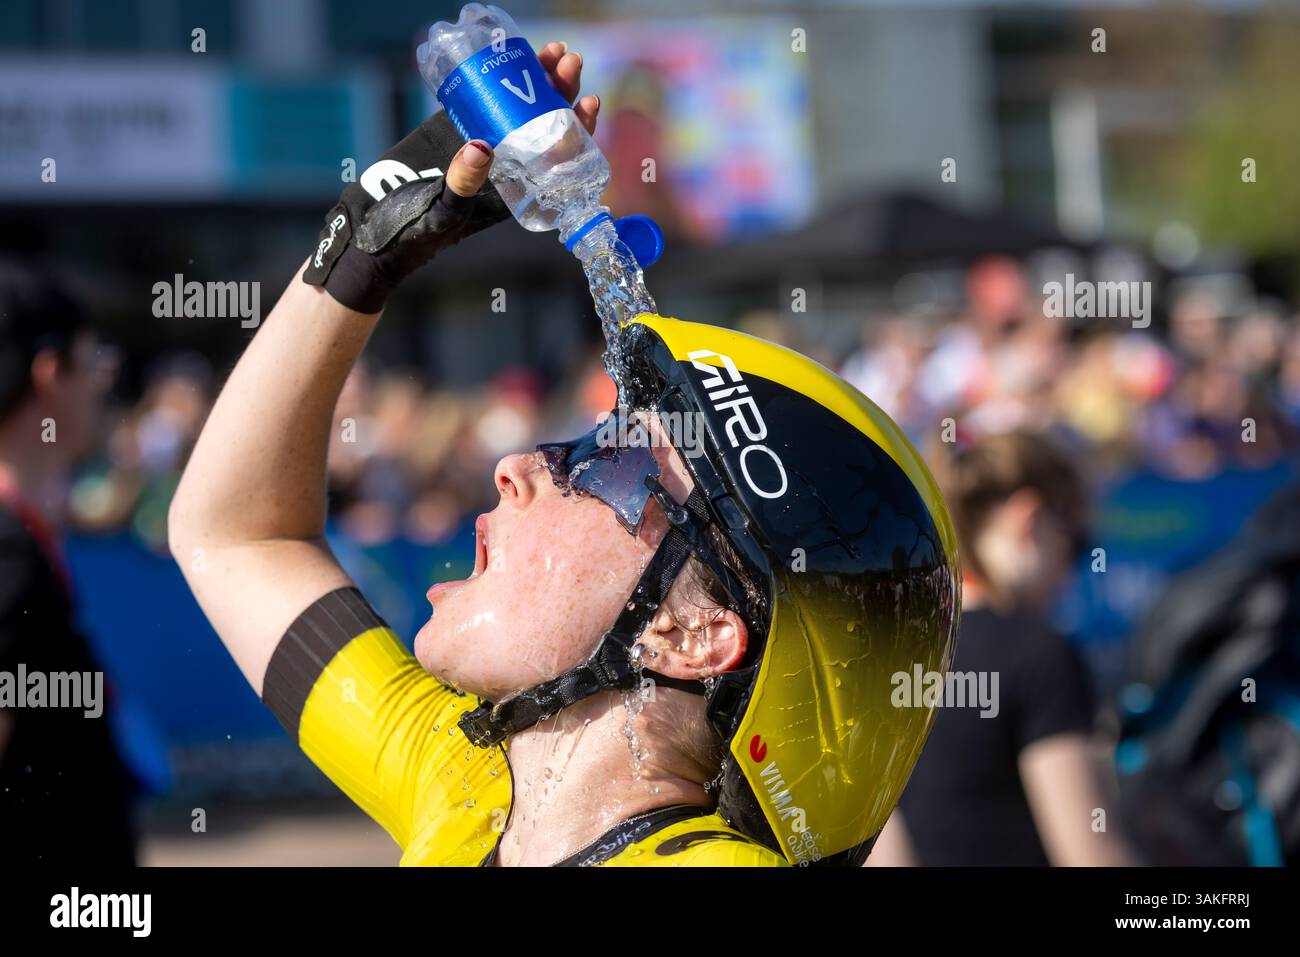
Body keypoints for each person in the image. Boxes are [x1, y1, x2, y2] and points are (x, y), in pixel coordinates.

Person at [169, 42, 960, 867]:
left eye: (607, 464)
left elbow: (236, 538)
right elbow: (237, 534)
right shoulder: (464, 787)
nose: (517, 468)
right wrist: (363, 252)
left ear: (691, 636)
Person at [869, 430, 1132, 866]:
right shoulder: (1039, 652)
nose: (1070, 573)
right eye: (1077, 543)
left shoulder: (889, 657)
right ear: (1028, 518)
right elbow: (1090, 854)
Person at [0, 261, 137, 865]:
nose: (101, 383)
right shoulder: (5, 551)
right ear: (50, 372)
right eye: (93, 361)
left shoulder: (19, 536)